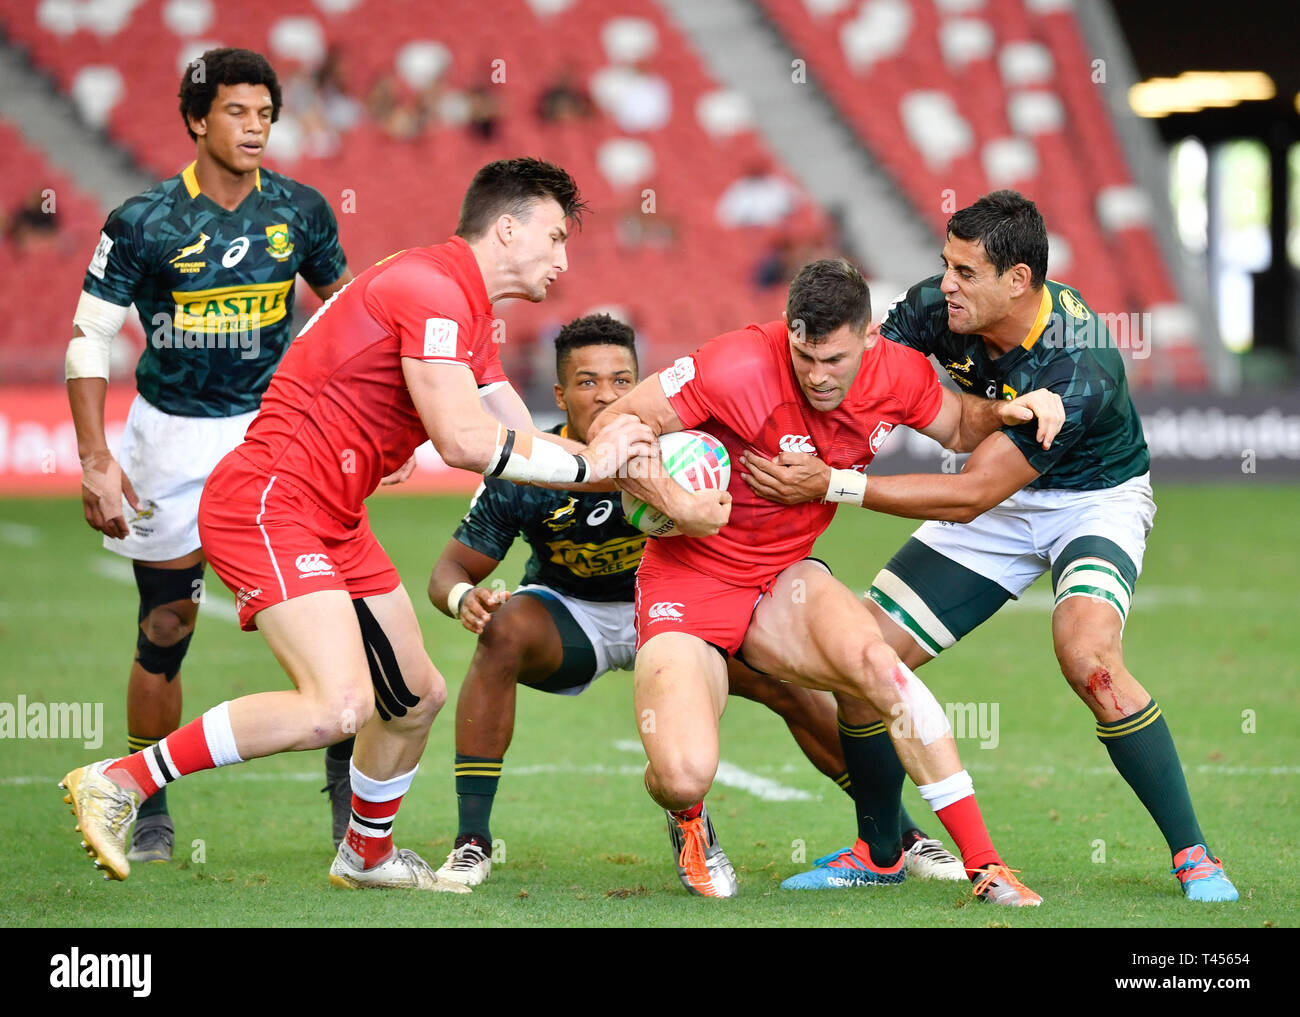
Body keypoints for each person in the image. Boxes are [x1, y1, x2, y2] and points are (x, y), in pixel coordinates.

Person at [59, 157, 656, 892]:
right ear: (508, 228)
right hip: (271, 500)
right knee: (338, 705)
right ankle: (121, 779)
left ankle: (365, 853)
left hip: (332, 514)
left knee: (416, 694)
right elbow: (468, 443)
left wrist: (617, 458)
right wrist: (599, 467)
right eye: (556, 237)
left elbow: (519, 431)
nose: (564, 259)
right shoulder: (435, 291)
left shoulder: (462, 307)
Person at [746, 191, 1237, 903]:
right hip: (999, 498)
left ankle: (1194, 853)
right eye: (947, 264)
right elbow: (865, 379)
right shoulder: (932, 309)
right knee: (862, 656)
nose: (946, 283)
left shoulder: (1079, 366)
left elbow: (972, 493)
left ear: (1020, 282)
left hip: (1093, 500)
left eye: (965, 272)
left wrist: (835, 485)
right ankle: (880, 850)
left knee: (1089, 657)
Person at [412, 312, 963, 886]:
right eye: (587, 381)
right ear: (559, 393)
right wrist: (461, 598)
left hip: (685, 607)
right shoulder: (534, 466)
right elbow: (450, 569)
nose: (606, 395)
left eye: (622, 381)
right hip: (575, 618)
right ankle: (473, 841)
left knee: (792, 688)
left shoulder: (685, 447)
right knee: (505, 633)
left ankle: (894, 833)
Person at [592, 257, 1064, 902]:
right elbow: (611, 426)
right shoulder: (732, 365)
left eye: (834, 360)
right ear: (786, 330)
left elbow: (955, 423)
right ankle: (688, 819)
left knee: (877, 665)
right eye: (804, 357)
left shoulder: (896, 371)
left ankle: (985, 864)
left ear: (870, 338)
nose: (818, 377)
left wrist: (1006, 410)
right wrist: (678, 503)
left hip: (783, 576)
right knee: (682, 774)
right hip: (688, 580)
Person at [65, 48, 351, 866]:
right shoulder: (143, 221)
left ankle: (350, 804)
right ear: (195, 119)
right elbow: (89, 338)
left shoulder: (301, 211)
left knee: (340, 617)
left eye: (265, 112)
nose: (255, 126)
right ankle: (145, 803)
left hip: (277, 432)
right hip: (170, 439)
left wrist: (359, 425)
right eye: (236, 111)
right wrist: (94, 457)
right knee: (166, 624)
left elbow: (350, 314)